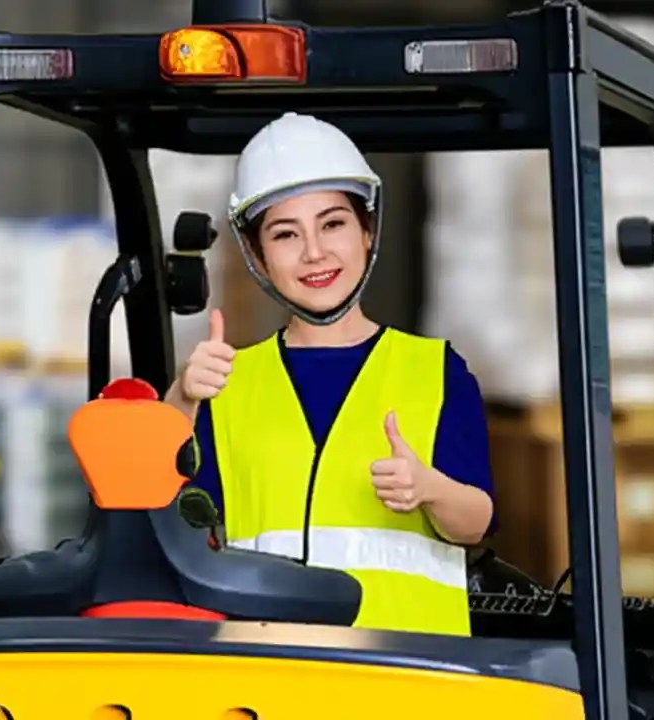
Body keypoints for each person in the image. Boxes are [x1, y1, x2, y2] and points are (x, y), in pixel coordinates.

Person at [163, 112, 495, 637]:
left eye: (333, 224)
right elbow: (155, 501)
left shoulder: (435, 370)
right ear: (256, 255)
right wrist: (182, 398)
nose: (314, 252)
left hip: (411, 671)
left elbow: (476, 523)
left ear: (367, 230)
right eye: (285, 234)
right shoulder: (227, 384)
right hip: (272, 671)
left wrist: (429, 488)